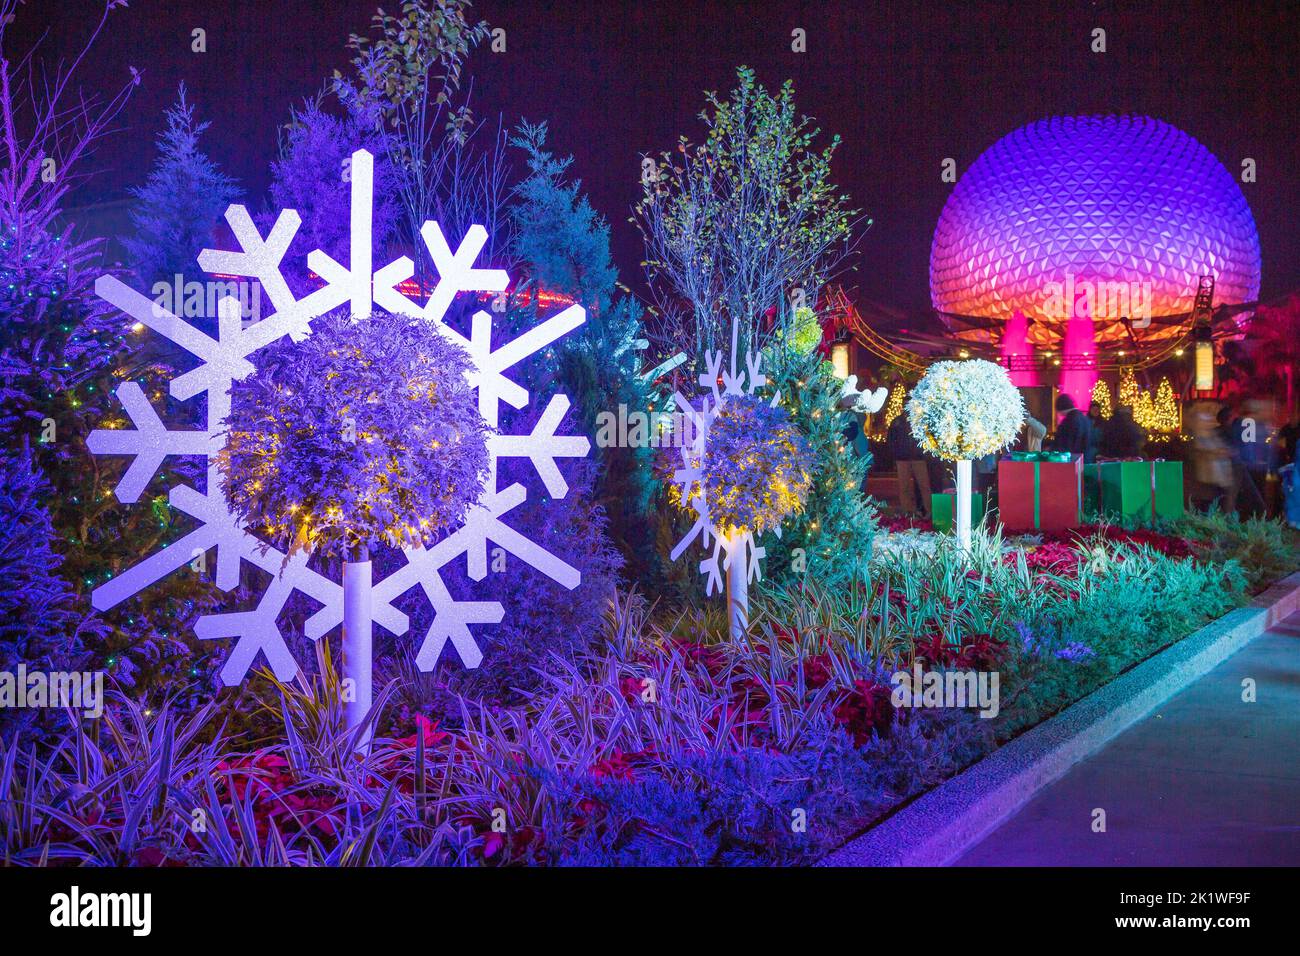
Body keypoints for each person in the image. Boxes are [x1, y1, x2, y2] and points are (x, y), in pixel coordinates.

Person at [887, 414, 932, 517]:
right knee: (906, 486)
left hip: (916, 456)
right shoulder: (898, 421)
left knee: (922, 485)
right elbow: (891, 439)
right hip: (906, 457)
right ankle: (909, 511)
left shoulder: (916, 420)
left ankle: (926, 510)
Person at [1046, 394, 1095, 462]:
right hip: (1086, 460)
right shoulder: (1086, 419)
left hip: (1072, 463)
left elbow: (1063, 445)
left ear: (1061, 408)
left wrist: (1050, 450)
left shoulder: (1067, 422)